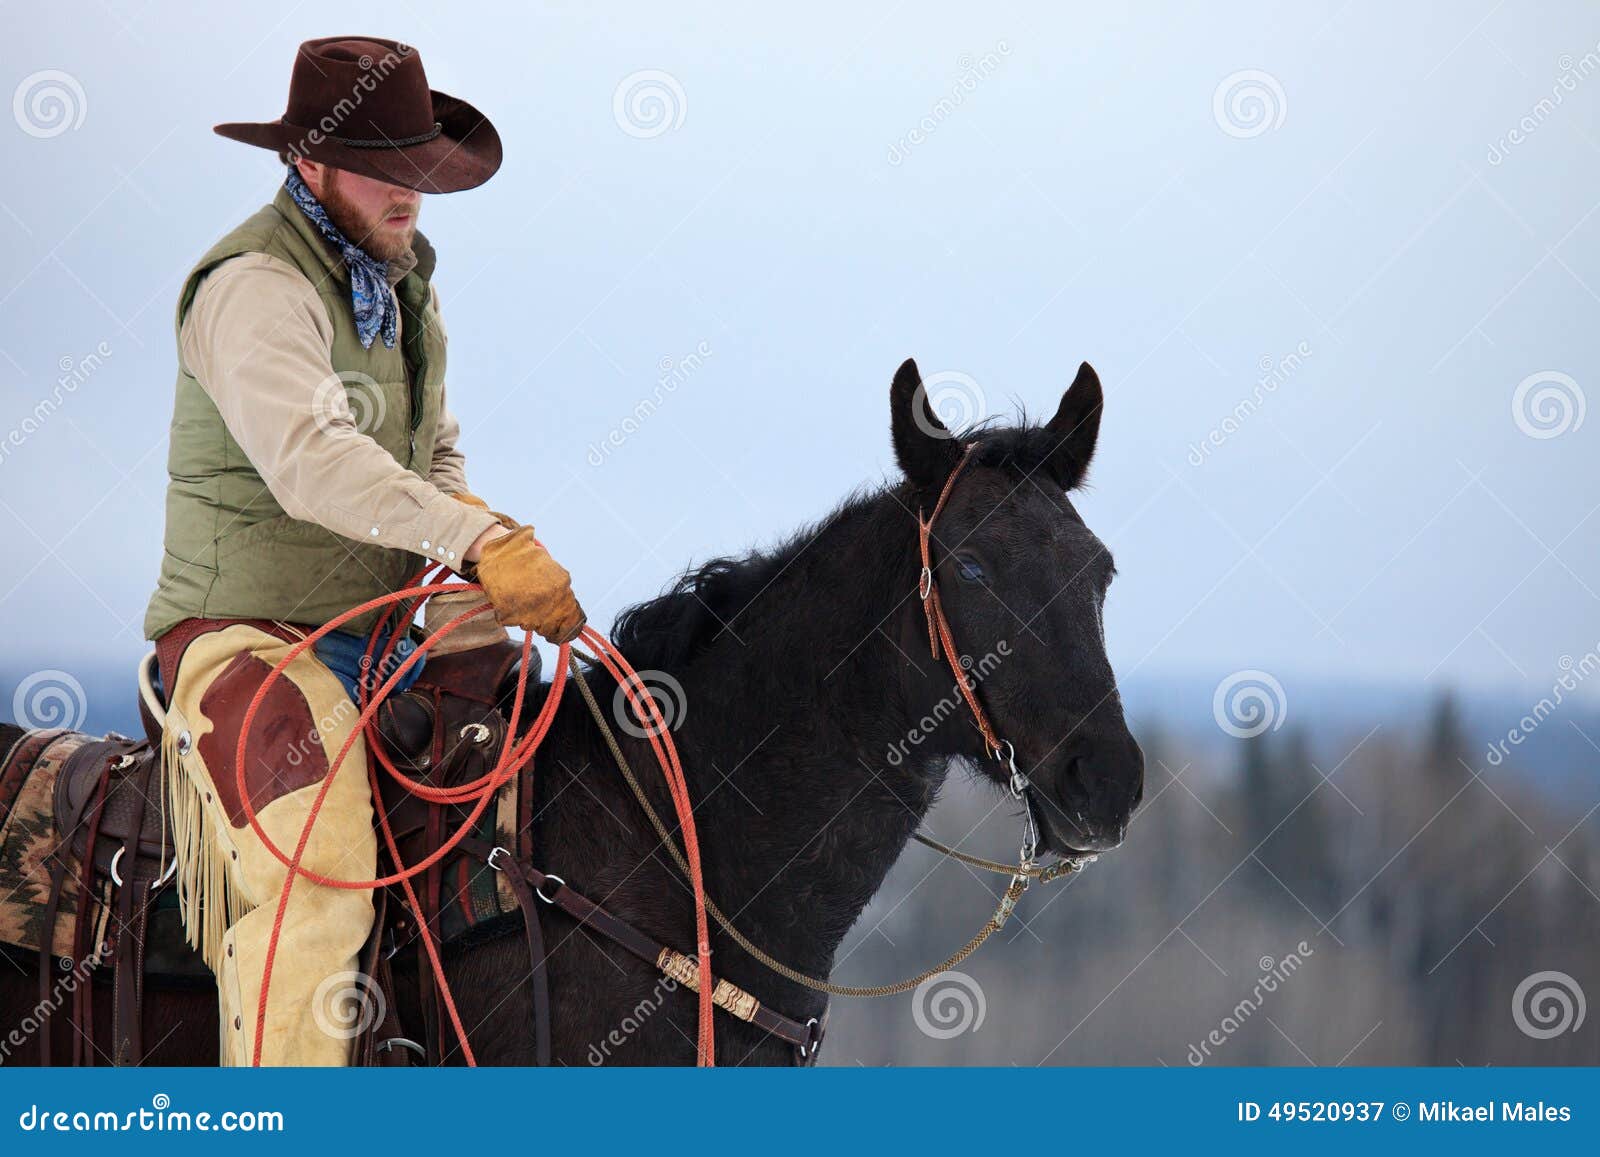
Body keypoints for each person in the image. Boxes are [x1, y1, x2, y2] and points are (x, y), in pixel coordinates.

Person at [142, 36, 580, 1065]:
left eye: (416, 169)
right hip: (245, 635)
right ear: (308, 163)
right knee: (321, 878)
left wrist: (481, 558)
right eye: (383, 168)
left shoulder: (403, 284)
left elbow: (431, 455)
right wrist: (479, 538)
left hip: (375, 635)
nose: (408, 193)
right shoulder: (252, 284)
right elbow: (310, 460)